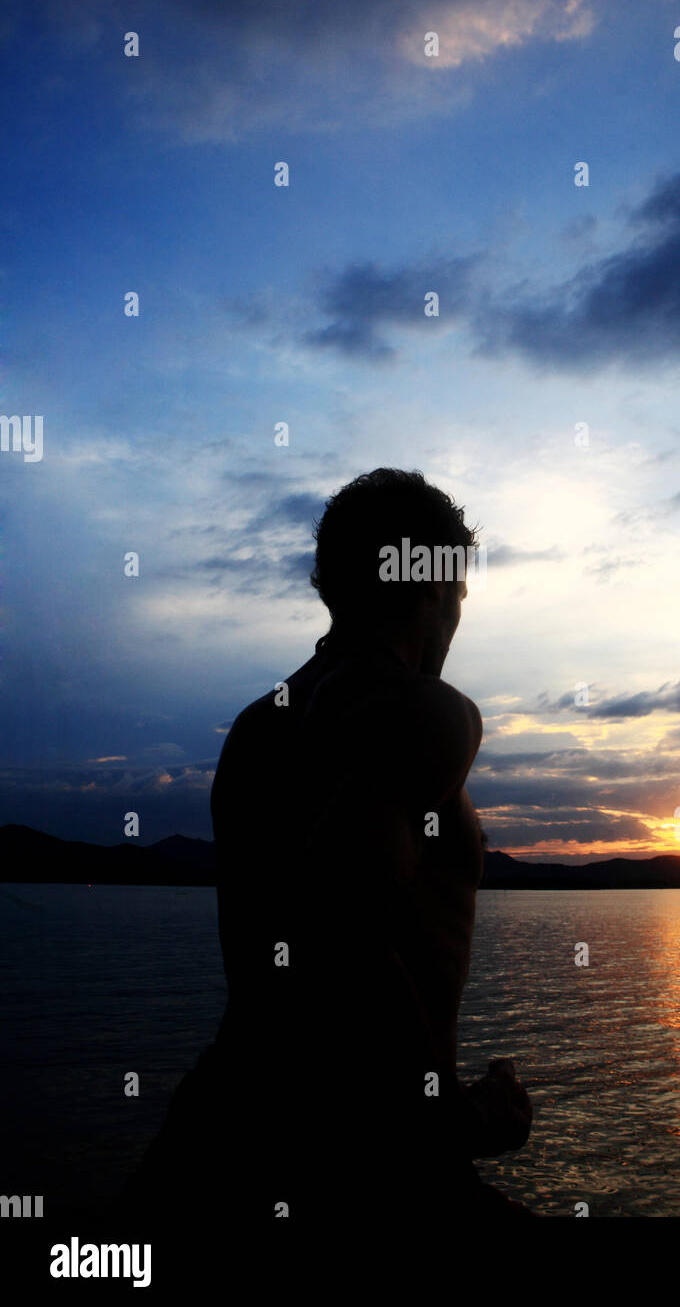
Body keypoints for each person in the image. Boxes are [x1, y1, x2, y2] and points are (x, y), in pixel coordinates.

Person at [118, 468, 533, 1250]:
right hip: (364, 1173)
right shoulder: (426, 715)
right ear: (432, 583)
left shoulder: (253, 730)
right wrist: (449, 1114)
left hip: (228, 1135)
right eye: (460, 593)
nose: (458, 617)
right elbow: (338, 932)